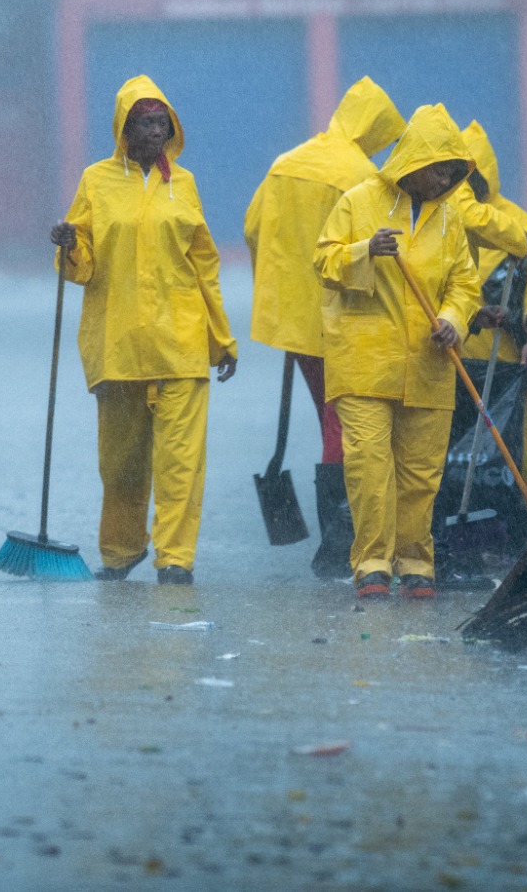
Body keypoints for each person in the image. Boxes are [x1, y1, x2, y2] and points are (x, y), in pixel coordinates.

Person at [50, 75, 238, 586]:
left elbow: (205, 267)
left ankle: (174, 559)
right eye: (145, 123)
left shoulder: (186, 184)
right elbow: (81, 268)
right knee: (121, 465)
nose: (156, 131)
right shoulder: (95, 182)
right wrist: (69, 244)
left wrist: (221, 339)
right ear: (124, 128)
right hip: (118, 347)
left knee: (180, 464)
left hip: (180, 344)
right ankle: (121, 550)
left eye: (163, 123)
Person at [313, 104, 481, 599]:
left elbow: (465, 284)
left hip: (428, 363)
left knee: (421, 471)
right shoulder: (358, 201)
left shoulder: (449, 219)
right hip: (364, 359)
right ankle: (371, 563)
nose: (446, 179)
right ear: (414, 163)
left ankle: (416, 562)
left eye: (453, 171)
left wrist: (452, 321)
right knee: (368, 463)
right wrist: (365, 249)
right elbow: (323, 260)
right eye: (440, 169)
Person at [243, 77, 405, 578]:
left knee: (330, 420)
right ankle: (343, 544)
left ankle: (345, 542)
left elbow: (253, 229)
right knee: (351, 427)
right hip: (346, 319)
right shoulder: (362, 174)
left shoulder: (285, 163)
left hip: (295, 320)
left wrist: (282, 291)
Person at [457, 120, 527, 513]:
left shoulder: (515, 220)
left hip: (508, 358)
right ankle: (461, 531)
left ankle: (523, 523)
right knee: (459, 449)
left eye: (471, 174)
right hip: (459, 352)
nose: (466, 183)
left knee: (510, 443)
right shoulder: (445, 218)